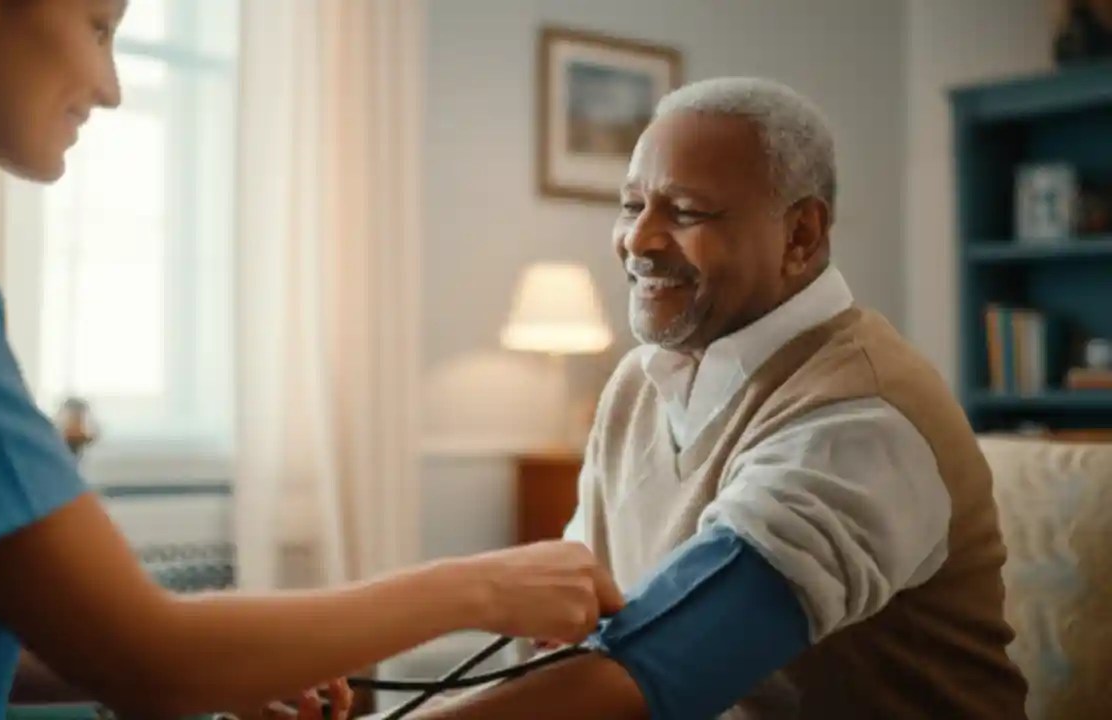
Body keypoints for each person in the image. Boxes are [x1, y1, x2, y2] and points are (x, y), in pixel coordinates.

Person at [0, 1, 625, 718]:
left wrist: (232, 655)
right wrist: (483, 586)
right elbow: (148, 659)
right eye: (98, 28)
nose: (109, 88)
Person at [401, 77, 1029, 719]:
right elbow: (568, 640)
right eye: (630, 205)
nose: (638, 240)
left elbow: (646, 674)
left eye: (685, 211)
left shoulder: (863, 420)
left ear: (801, 236)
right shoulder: (635, 384)